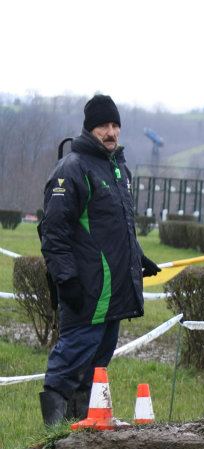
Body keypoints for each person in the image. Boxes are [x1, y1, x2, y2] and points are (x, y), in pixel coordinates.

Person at [39, 94, 160, 425]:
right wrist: (67, 280)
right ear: (90, 129)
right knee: (72, 357)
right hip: (87, 289)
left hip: (114, 291)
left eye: (115, 125)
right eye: (104, 125)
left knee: (98, 362)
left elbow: (115, 227)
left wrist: (137, 256)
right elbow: (54, 232)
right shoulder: (72, 169)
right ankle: (54, 435)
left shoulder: (119, 169)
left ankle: (89, 426)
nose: (111, 132)